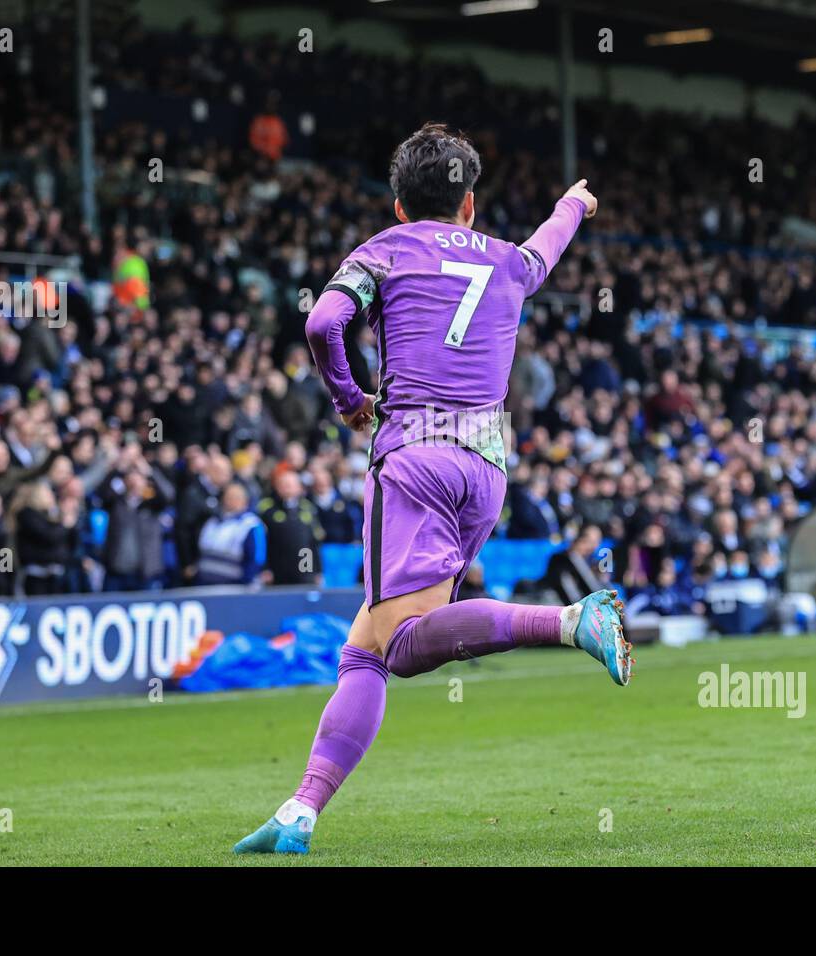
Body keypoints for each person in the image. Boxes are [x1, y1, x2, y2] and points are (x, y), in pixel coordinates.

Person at [233, 123, 628, 856]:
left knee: (405, 645)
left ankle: (572, 621)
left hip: (414, 457)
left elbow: (324, 322)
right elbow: (548, 244)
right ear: (470, 204)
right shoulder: (508, 261)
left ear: (398, 205)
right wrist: (574, 203)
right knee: (366, 651)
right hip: (486, 466)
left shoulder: (383, 250)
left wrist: (348, 396)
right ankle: (300, 811)